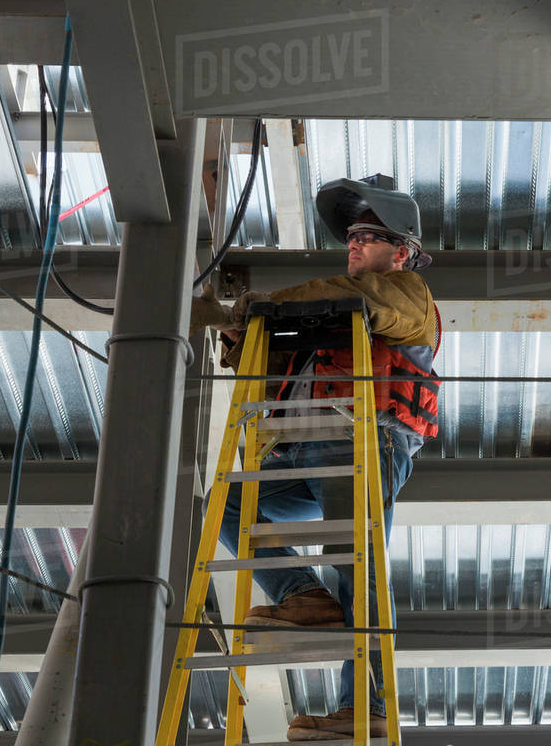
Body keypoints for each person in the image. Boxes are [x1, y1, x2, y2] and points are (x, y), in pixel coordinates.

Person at [190, 174, 439, 741]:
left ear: (401, 250)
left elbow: (363, 303)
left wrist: (268, 306)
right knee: (225, 503)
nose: (354, 243)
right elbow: (271, 368)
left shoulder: (405, 294)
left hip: (365, 439)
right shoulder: (322, 314)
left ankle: (367, 707)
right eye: (350, 234)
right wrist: (243, 335)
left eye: (369, 235)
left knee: (358, 567)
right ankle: (303, 596)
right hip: (304, 447)